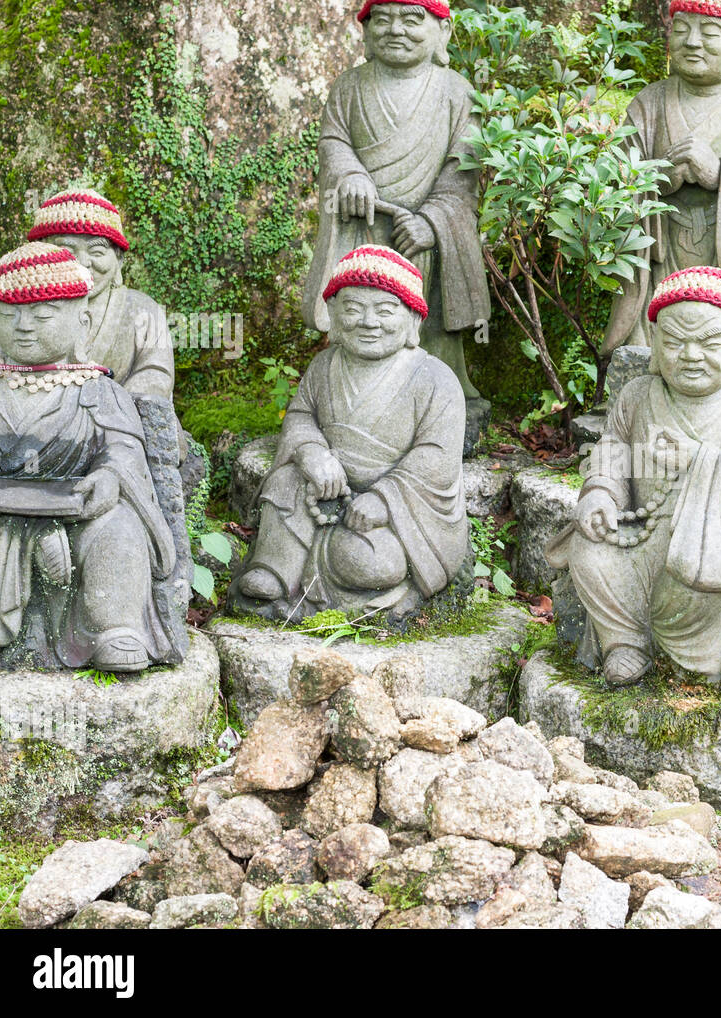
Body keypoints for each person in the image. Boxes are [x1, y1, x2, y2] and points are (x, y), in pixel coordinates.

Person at [549, 267, 721, 686]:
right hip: (641, 533)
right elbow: (611, 452)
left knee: (692, 574)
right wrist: (600, 496)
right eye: (674, 341)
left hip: (711, 544)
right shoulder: (638, 397)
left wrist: (701, 461)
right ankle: (624, 643)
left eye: (709, 342)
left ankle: (687, 657)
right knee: (587, 549)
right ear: (654, 345)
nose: (691, 355)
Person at [239, 245, 467, 621]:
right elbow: (300, 417)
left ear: (413, 320)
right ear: (332, 316)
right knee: (286, 482)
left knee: (375, 564)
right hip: (322, 488)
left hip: (398, 511)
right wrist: (313, 454)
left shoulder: (436, 379)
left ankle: (315, 562)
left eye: (384, 310)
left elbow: (436, 458)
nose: (368, 321)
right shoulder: (324, 366)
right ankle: (276, 568)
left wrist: (383, 500)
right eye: (353, 308)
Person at [0, 242, 181, 671]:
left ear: (82, 320)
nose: (24, 326)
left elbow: (125, 451)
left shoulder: (98, 391)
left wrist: (110, 477)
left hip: (79, 513)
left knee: (121, 529)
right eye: (9, 313)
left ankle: (115, 627)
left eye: (43, 313)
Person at [302, 0, 490, 399]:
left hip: (426, 235)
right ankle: (349, 385)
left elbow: (464, 171)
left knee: (432, 322)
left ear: (444, 32)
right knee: (361, 305)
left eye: (412, 20)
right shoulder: (349, 87)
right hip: (364, 226)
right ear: (366, 33)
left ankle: (442, 392)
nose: (396, 30)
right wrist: (349, 174)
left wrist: (433, 221)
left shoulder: (457, 92)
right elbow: (333, 141)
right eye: (382, 20)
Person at [601, 0, 721, 357]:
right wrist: (658, 178)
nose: (692, 42)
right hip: (659, 257)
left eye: (710, 32)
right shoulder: (649, 104)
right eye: (682, 29)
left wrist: (719, 172)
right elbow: (616, 182)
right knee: (646, 349)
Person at [8, 188, 174, 398]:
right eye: (68, 251)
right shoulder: (18, 308)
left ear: (119, 260)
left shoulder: (143, 309)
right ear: (38, 254)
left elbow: (157, 375)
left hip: (118, 420)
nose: (83, 263)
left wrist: (114, 407)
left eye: (96, 252)